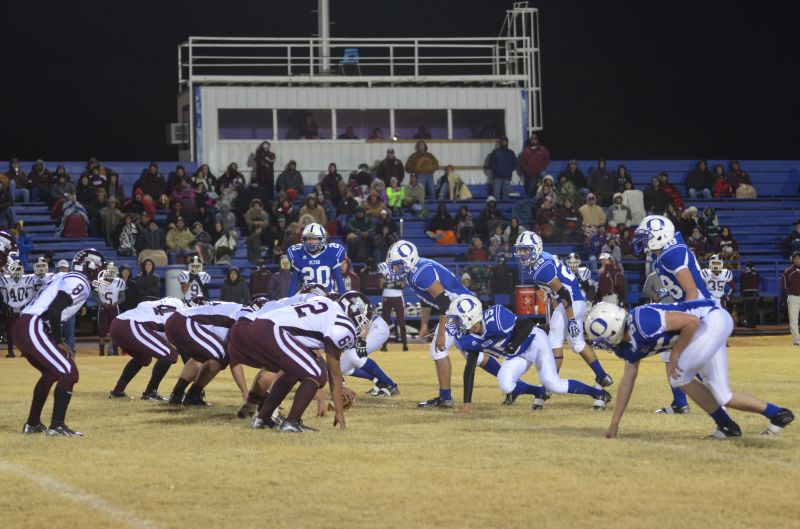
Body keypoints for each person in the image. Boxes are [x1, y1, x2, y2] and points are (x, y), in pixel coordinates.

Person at [585, 301, 794, 438]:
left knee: (679, 376)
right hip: (704, 330)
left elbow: (691, 322)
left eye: (602, 339)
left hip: (710, 320)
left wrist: (675, 355)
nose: (603, 344)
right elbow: (627, 381)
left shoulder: (643, 320)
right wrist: (615, 423)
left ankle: (726, 424)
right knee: (723, 395)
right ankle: (776, 414)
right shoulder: (626, 346)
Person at [382, 241, 507, 408]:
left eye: (398, 265)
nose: (395, 269)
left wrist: (441, 333)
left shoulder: (420, 273)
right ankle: (512, 384)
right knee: (472, 355)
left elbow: (444, 301)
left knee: (438, 349)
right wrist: (424, 324)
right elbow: (427, 299)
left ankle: (446, 397)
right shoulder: (413, 272)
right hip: (459, 306)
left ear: (409, 260)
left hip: (459, 308)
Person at [228, 292, 368, 431]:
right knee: (317, 373)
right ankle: (292, 422)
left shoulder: (323, 303)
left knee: (294, 371)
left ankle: (263, 418)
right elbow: (334, 372)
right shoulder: (343, 325)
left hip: (246, 329)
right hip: (270, 329)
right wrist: (339, 413)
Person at [448, 295, 612, 412]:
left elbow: (527, 324)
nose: (453, 322)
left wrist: (513, 345)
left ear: (470, 316)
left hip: (534, 342)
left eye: (456, 318)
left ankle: (599, 394)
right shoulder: (465, 339)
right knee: (505, 384)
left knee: (553, 383)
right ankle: (539, 392)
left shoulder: (495, 317)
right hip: (516, 354)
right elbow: (469, 368)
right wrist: (467, 403)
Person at [513, 231, 614, 402]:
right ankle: (602, 376)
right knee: (577, 344)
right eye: (520, 250)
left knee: (553, 341)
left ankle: (547, 386)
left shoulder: (541, 270)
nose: (522, 254)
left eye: (525, 250)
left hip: (570, 302)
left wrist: (571, 318)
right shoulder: (543, 259)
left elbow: (563, 293)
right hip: (576, 300)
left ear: (535, 249)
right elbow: (555, 292)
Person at [17, 247, 106, 436]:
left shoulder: (61, 276)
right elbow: (55, 309)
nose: (100, 276)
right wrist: (58, 341)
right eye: (99, 270)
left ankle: (33, 424)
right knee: (69, 372)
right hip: (35, 324)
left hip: (26, 324)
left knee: (51, 373)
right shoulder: (79, 280)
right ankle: (57, 426)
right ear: (90, 267)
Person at [633, 214, 717, 415]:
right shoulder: (667, 252)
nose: (642, 241)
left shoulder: (671, 254)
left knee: (678, 356)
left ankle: (712, 397)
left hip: (698, 307)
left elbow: (691, 290)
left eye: (646, 236)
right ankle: (686, 402)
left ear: (659, 236)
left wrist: (687, 318)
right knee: (672, 355)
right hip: (697, 307)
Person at [165, 299, 254, 406]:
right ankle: (192, 395)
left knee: (202, 358)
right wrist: (244, 391)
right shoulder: (247, 315)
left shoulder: (242, 311)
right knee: (222, 355)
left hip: (178, 321)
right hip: (184, 321)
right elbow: (234, 358)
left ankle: (177, 395)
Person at [107, 297, 185, 401]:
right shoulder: (182, 316)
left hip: (118, 323)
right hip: (132, 324)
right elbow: (185, 351)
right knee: (169, 355)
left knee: (143, 358)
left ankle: (117, 391)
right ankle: (150, 393)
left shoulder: (172, 303)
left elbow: (145, 301)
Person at [287, 223, 346, 295]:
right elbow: (294, 282)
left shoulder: (332, 253)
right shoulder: (299, 254)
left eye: (314, 239)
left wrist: (343, 296)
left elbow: (339, 280)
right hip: (306, 297)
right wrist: (289, 299)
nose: (311, 242)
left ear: (322, 239)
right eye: (308, 239)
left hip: (327, 297)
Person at [1, 257, 35, 358]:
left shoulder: (27, 279)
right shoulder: (4, 279)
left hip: (22, 309)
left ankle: (23, 351)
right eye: (14, 269)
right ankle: (11, 351)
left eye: (18, 269)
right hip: (10, 309)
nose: (16, 271)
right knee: (10, 331)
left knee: (23, 332)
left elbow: (30, 296)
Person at [93, 263, 126, 356]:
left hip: (114, 308)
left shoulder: (119, 282)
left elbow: (123, 297)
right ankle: (101, 352)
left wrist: (115, 303)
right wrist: (102, 303)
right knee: (102, 332)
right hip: (103, 309)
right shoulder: (100, 282)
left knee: (114, 330)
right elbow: (94, 294)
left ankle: (115, 352)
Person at [380, 273, 407, 352]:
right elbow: (381, 285)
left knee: (401, 322)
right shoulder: (383, 270)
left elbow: (403, 285)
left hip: (398, 297)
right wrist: (396, 284)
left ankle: (405, 345)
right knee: (385, 323)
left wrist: (388, 285)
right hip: (387, 296)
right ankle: (384, 346)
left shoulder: (401, 271)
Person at [781, 251, 800, 346]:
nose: (797, 260)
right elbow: (784, 288)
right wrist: (784, 301)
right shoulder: (787, 271)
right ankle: (796, 340)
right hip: (793, 297)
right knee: (793, 320)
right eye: (795, 258)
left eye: (799, 258)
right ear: (792, 260)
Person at [740, 261, 759, 328]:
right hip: (753, 292)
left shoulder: (744, 272)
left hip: (746, 292)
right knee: (753, 309)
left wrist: (741, 292)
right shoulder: (756, 272)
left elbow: (742, 283)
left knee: (748, 309)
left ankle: (749, 324)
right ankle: (752, 324)